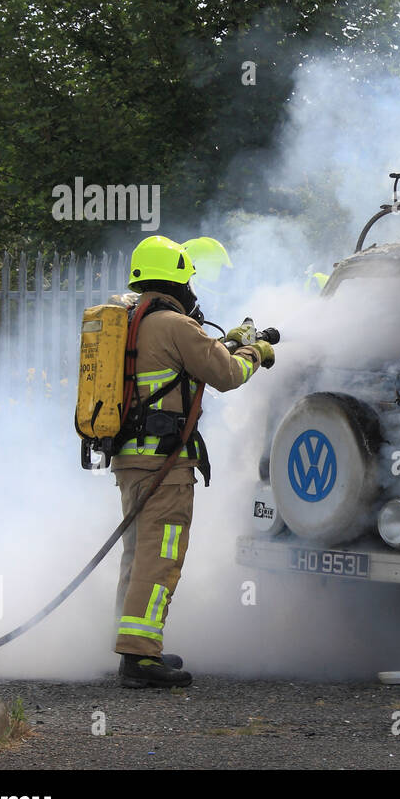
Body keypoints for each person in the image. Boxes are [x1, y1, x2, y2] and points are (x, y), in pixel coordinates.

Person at [110, 235, 276, 688]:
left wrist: (227, 341)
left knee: (137, 552)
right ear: (179, 278)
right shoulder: (175, 324)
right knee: (161, 555)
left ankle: (131, 645)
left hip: (129, 459)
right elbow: (225, 374)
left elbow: (187, 363)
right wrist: (254, 352)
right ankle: (141, 658)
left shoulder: (128, 319)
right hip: (165, 465)